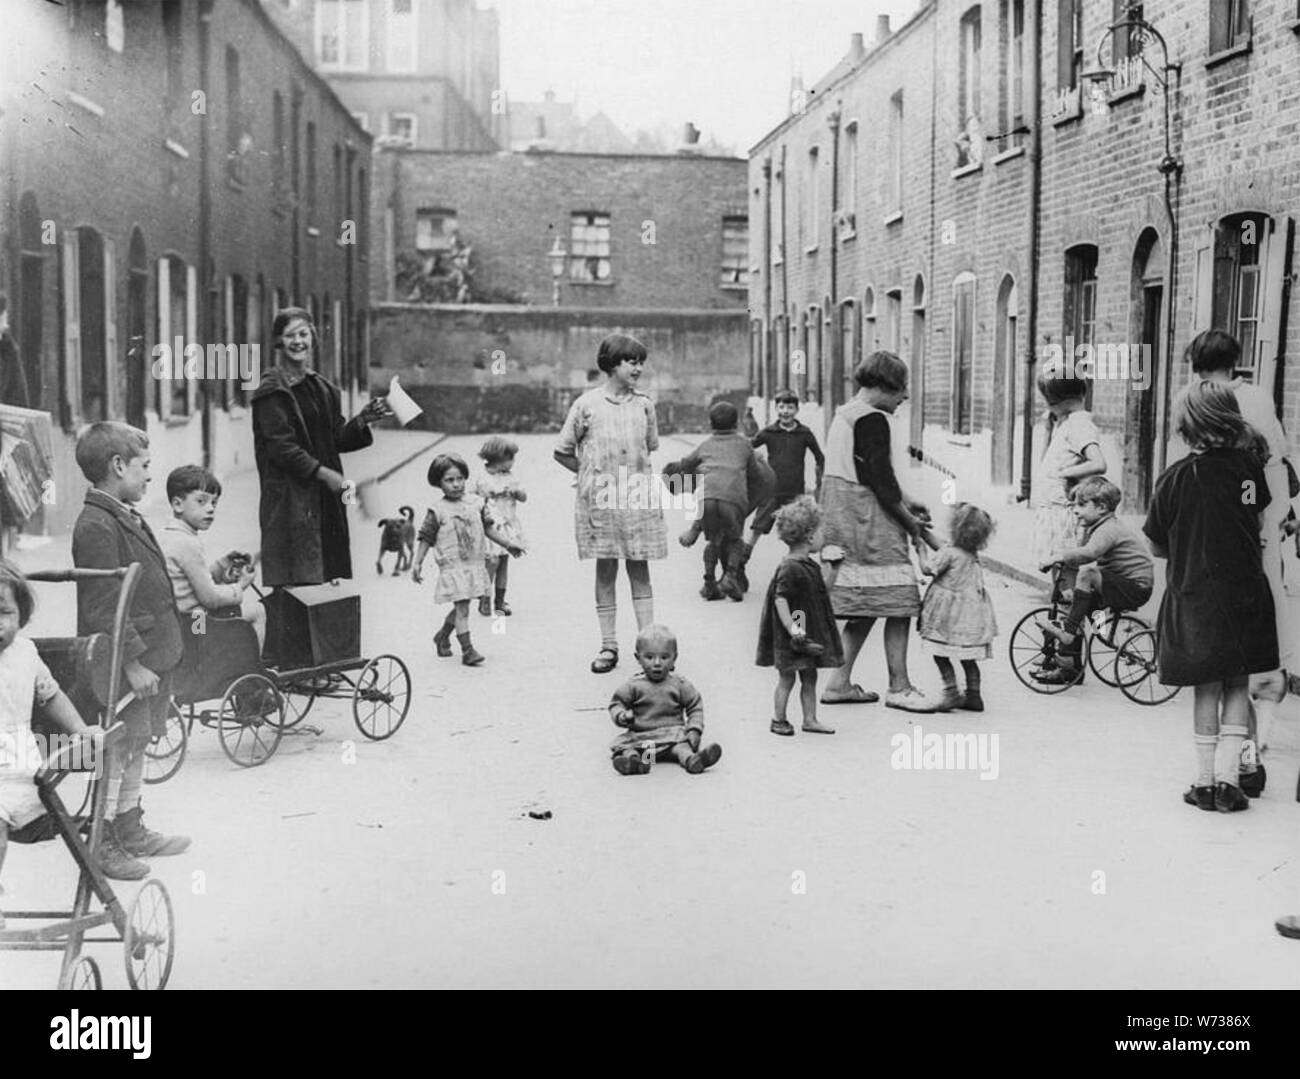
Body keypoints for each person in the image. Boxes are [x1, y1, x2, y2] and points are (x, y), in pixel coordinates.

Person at [1143, 381, 1278, 813]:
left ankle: (1202, 783)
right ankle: (1228, 782)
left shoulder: (1173, 480)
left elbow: (1157, 545)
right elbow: (1254, 520)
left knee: (1206, 688)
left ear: (1185, 427)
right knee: (1238, 682)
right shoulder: (1247, 471)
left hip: (1194, 594)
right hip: (1243, 592)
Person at [71, 422, 189, 880]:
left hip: (149, 658)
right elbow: (102, 604)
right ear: (117, 466)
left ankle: (129, 824)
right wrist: (134, 662)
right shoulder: (96, 524)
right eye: (145, 467)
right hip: (121, 662)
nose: (149, 476)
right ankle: (100, 839)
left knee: (137, 740)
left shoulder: (122, 512)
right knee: (117, 747)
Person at [1186, 329, 1293, 793]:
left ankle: (1221, 768)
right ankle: (1250, 753)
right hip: (1255, 541)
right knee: (1257, 647)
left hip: (1208, 550)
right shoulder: (1259, 400)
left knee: (1217, 666)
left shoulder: (1190, 399)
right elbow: (1274, 471)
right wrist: (1276, 521)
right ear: (1236, 360)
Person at [818, 351, 938, 713]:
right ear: (884, 386)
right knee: (899, 601)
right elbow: (882, 487)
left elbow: (869, 475)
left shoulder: (845, 414)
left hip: (843, 516)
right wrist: (913, 525)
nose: (904, 397)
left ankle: (839, 682)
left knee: (867, 605)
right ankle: (899, 687)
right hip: (868, 521)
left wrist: (907, 498)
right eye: (901, 389)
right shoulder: (874, 420)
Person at [250, 307, 390, 589]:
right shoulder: (271, 391)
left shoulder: (323, 388)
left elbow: (335, 438)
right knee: (295, 585)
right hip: (290, 501)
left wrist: (363, 420)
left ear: (313, 338)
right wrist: (325, 474)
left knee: (323, 582)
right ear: (279, 341)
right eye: (290, 335)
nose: (298, 341)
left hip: (322, 501)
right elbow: (282, 448)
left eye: (304, 334)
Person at [554, 333, 667, 674]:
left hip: (636, 500)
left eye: (640, 362)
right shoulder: (586, 405)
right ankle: (608, 646)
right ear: (611, 364)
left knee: (639, 568)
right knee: (606, 569)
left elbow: (651, 445)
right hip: (601, 503)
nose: (638, 368)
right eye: (631, 361)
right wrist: (590, 474)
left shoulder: (644, 404)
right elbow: (562, 451)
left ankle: (649, 645)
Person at [0, 562, 103, 929]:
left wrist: (78, 729)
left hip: (18, 774)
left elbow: (51, 697)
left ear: (22, 615)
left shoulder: (26, 653)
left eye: (5, 612)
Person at [1034, 477, 1153, 685]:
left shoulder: (1109, 529)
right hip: (1120, 583)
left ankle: (1069, 635)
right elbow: (1081, 552)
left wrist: (1056, 556)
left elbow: (1089, 554)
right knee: (1074, 599)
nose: (1076, 510)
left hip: (1135, 587)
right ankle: (1069, 665)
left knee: (1087, 574)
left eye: (1081, 505)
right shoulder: (1098, 526)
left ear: (1102, 508)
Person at [411, 453, 523, 667]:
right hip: (453, 567)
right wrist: (417, 562)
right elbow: (426, 537)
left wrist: (508, 544)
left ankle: (443, 635)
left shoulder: (477, 503)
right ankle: (468, 650)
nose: (456, 484)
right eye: (449, 480)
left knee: (464, 605)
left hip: (474, 564)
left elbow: (488, 528)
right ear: (439, 483)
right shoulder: (438, 510)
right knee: (463, 608)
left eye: (460, 478)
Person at [756, 496, 844, 736]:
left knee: (809, 676)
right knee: (787, 678)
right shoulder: (790, 567)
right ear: (810, 536)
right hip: (792, 635)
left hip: (806, 632)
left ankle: (810, 719)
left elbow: (822, 591)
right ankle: (779, 719)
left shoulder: (810, 565)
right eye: (820, 531)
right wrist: (792, 628)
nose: (823, 536)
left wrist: (833, 570)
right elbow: (780, 599)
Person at [665, 400, 768, 602]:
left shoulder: (706, 444)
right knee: (735, 539)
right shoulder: (744, 445)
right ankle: (730, 576)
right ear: (737, 424)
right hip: (733, 499)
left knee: (713, 540)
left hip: (708, 498)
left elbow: (686, 463)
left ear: (711, 425)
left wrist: (693, 467)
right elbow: (755, 473)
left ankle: (709, 582)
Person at [158, 465, 265, 649]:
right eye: (201, 501)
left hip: (182, 621)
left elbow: (192, 581)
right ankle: (252, 670)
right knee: (258, 611)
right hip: (196, 626)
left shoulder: (171, 535)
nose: (210, 509)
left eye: (214, 503)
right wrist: (240, 586)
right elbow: (210, 598)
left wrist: (222, 565)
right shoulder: (188, 543)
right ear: (177, 504)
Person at [916, 503, 999, 711]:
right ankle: (974, 695)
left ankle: (951, 692)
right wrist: (924, 533)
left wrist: (920, 551)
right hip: (969, 616)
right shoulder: (970, 553)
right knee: (969, 659)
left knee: (939, 651)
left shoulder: (950, 553)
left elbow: (928, 569)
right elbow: (942, 545)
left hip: (948, 616)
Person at [608, 624, 722, 775]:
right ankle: (636, 763)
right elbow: (617, 704)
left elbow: (695, 706)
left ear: (674, 658)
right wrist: (621, 716)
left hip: (672, 738)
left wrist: (694, 728)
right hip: (644, 739)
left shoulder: (679, 684)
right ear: (638, 658)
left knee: (682, 748)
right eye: (649, 657)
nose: (657, 663)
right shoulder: (633, 686)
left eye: (664, 657)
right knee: (625, 747)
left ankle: (693, 761)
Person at [1029, 372, 1107, 574]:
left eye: (1048, 401)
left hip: (1065, 512)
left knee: (1066, 569)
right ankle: (1063, 603)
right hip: (1054, 510)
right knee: (1059, 568)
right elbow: (1047, 462)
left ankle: (1069, 604)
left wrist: (1066, 473)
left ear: (1059, 401)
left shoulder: (1079, 425)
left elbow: (1098, 463)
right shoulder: (1067, 422)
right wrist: (1048, 429)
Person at [746, 390, 825, 572]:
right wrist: (755, 462)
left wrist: (821, 482)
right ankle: (739, 565)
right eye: (781, 407)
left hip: (795, 492)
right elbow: (747, 447)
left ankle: (803, 566)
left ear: (797, 410)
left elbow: (820, 458)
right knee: (758, 527)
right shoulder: (769, 432)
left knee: (802, 529)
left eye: (790, 407)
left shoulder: (804, 433)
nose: (785, 411)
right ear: (776, 409)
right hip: (772, 490)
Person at [473, 437, 527, 617]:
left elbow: (523, 496)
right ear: (498, 458)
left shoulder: (510, 477)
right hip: (491, 526)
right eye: (510, 458)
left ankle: (499, 601)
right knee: (492, 562)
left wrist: (517, 492)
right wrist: (485, 496)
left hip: (508, 524)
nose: (513, 463)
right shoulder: (481, 477)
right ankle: (485, 598)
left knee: (503, 564)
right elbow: (470, 499)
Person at [376, 506, 416, 576]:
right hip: (389, 540)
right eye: (390, 527)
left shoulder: (404, 528)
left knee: (408, 546)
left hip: (408, 531)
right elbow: (382, 549)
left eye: (398, 527)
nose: (394, 530)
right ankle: (379, 562)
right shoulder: (385, 536)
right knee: (386, 547)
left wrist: (397, 566)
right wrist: (379, 561)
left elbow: (401, 550)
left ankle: (405, 564)